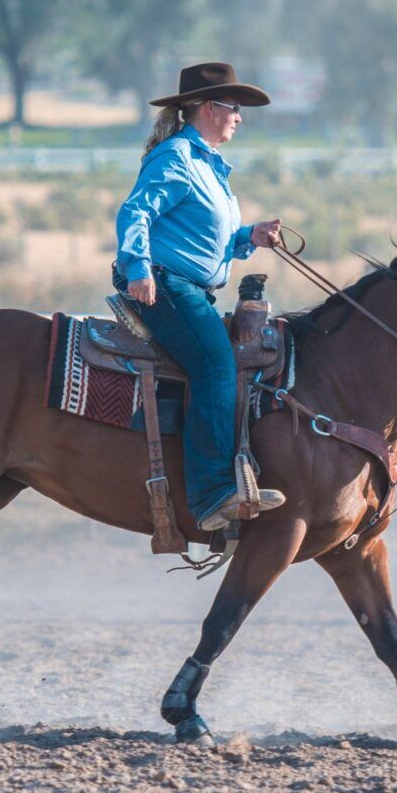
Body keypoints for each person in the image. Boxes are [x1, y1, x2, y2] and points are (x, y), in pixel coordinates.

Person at [114, 62, 286, 532]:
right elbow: (135, 213)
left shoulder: (208, 164)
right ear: (210, 108)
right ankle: (212, 495)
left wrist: (250, 235)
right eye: (234, 108)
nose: (239, 117)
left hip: (187, 283)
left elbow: (211, 239)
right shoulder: (176, 158)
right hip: (166, 284)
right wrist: (138, 268)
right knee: (215, 364)